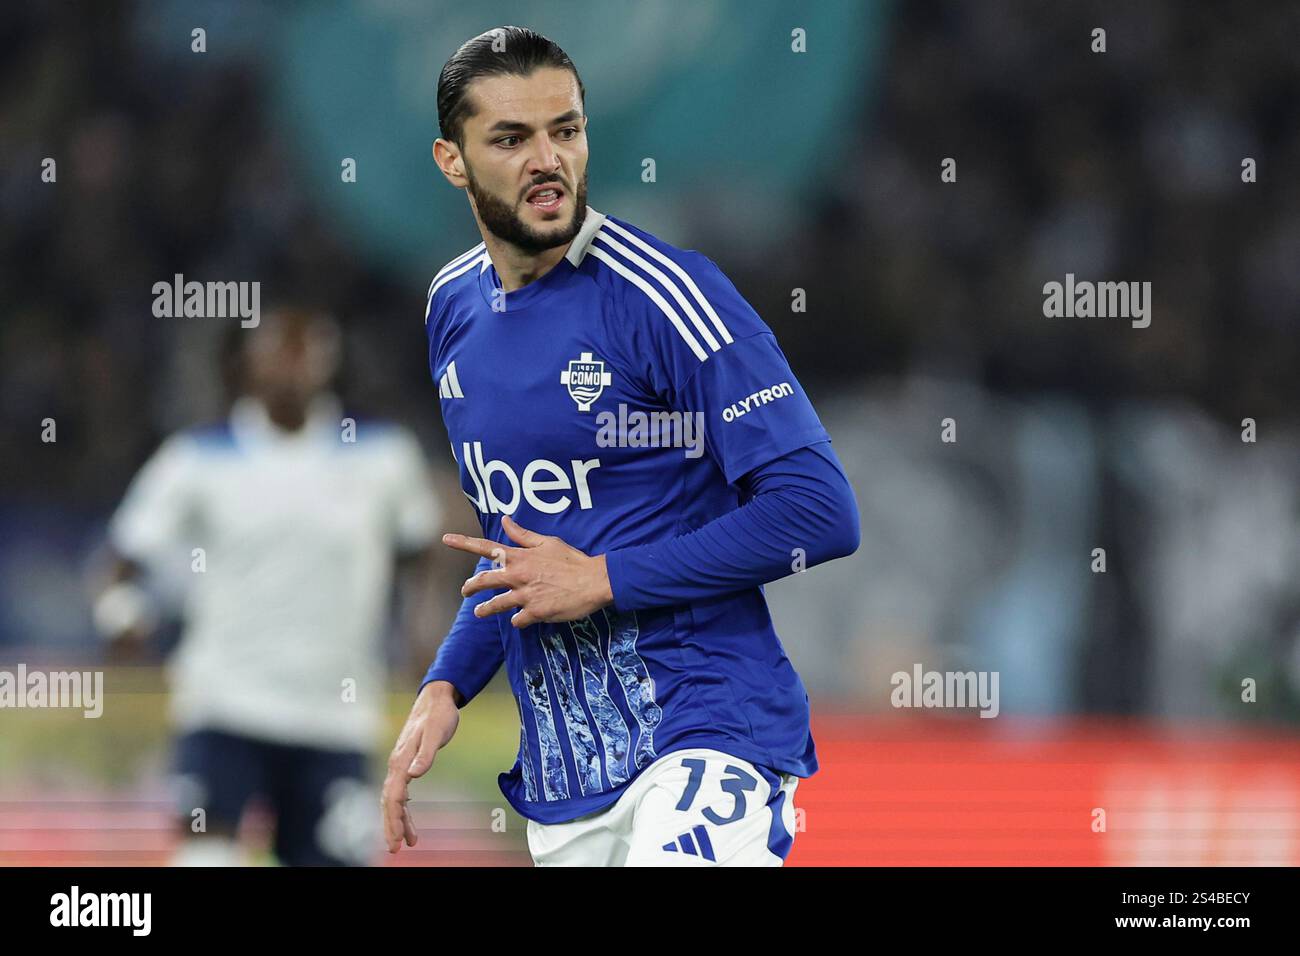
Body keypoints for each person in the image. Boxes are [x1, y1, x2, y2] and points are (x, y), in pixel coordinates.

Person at [383, 26, 860, 867]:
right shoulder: (451, 309)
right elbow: (519, 545)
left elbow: (818, 510)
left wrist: (605, 580)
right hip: (570, 779)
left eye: (565, 130)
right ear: (451, 161)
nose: (547, 159)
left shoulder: (667, 293)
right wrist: (446, 683)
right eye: (511, 137)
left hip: (708, 731)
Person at [97, 308, 441, 865]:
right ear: (247, 363)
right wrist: (121, 613)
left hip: (335, 713)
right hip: (224, 702)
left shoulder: (382, 457)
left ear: (329, 362)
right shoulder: (198, 458)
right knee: (206, 858)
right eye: (277, 350)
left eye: (305, 351)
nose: (291, 366)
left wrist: (421, 625)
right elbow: (124, 554)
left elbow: (421, 546)